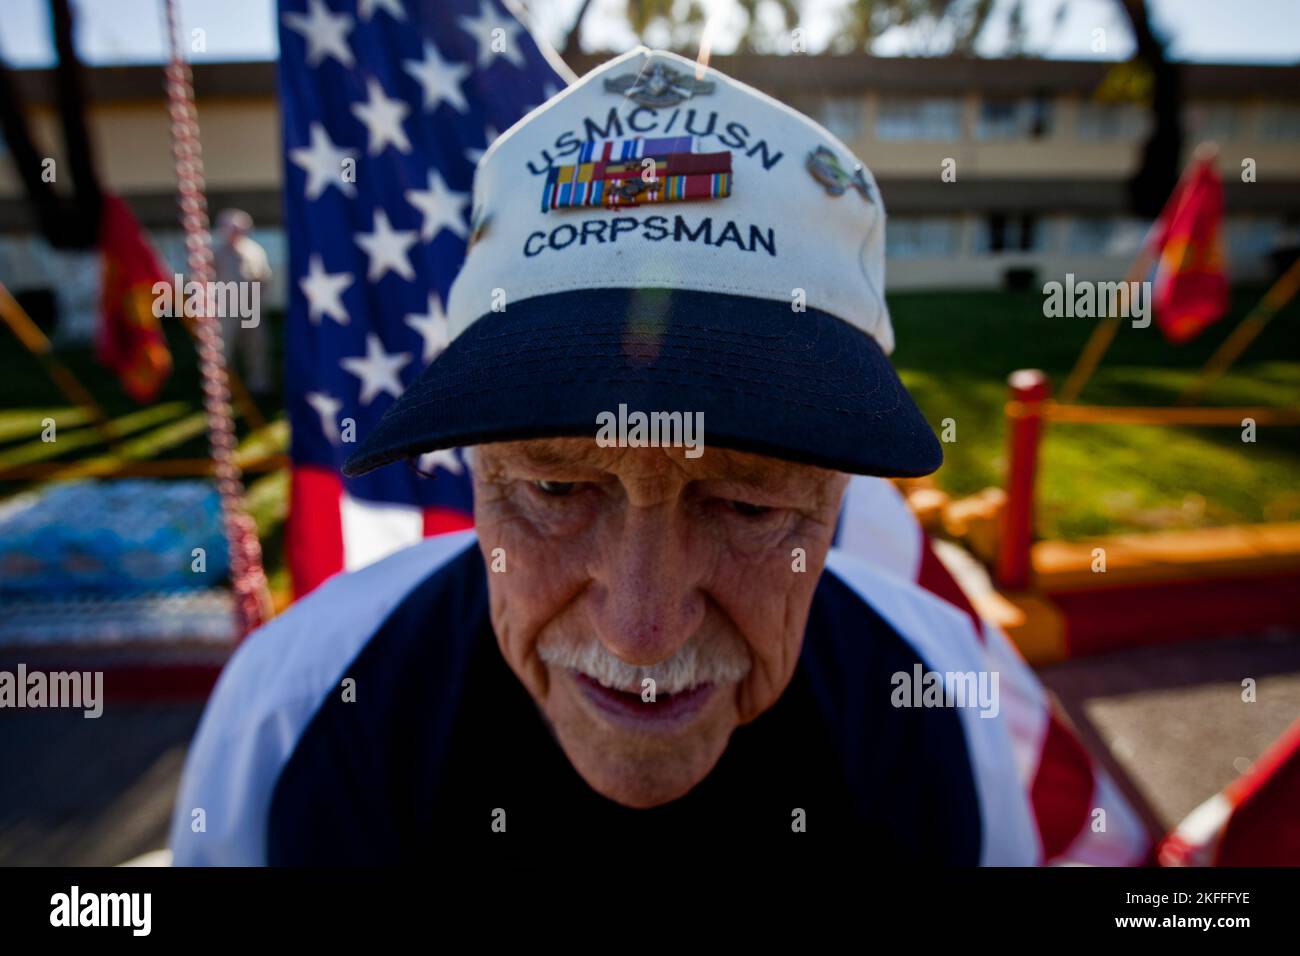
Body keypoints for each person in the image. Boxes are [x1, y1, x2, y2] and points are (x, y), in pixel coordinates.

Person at [170, 48, 1146, 866]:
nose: (640, 628)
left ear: (836, 493)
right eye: (555, 486)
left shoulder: (936, 695)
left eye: (748, 504)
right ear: (471, 469)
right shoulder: (290, 710)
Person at [213, 208, 273, 395]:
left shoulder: (255, 251)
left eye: (241, 228)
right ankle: (224, 387)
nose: (237, 232)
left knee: (256, 346)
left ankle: (258, 383)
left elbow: (264, 278)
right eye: (232, 228)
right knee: (223, 348)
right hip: (226, 308)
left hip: (251, 308)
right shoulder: (216, 253)